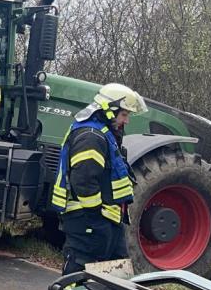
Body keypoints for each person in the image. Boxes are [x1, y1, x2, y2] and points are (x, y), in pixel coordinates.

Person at [50, 83, 147, 275]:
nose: (126, 121)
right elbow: (83, 182)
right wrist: (95, 219)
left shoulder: (102, 134)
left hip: (106, 217)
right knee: (79, 267)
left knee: (118, 272)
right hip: (87, 218)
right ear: (109, 111)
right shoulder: (91, 137)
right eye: (124, 115)